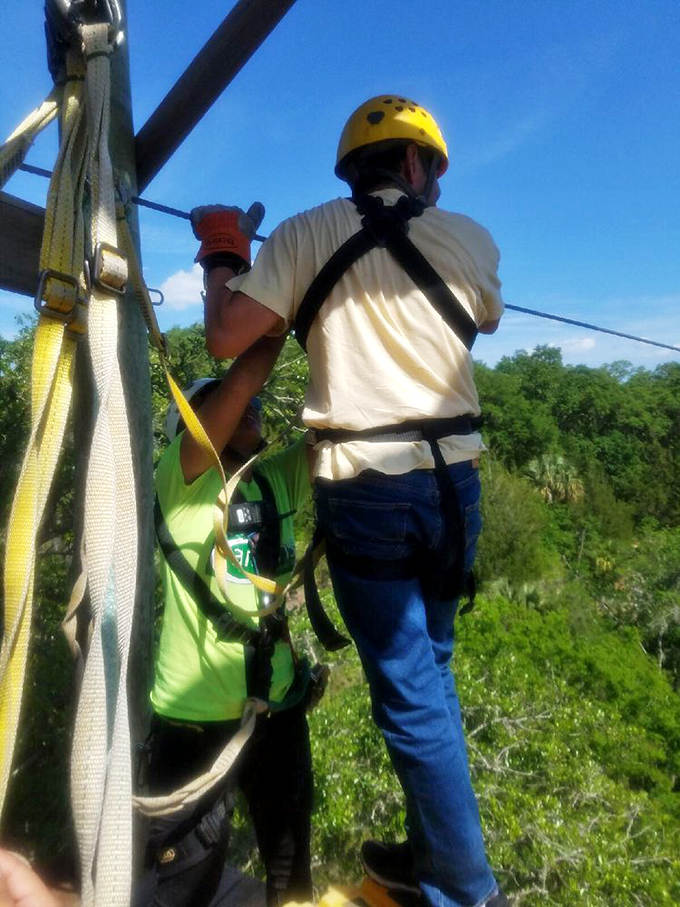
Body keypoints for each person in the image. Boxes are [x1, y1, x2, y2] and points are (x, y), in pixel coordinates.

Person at [194, 95, 506, 907]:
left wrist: (223, 256)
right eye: (434, 170)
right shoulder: (472, 239)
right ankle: (436, 854)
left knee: (408, 691)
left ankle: (466, 890)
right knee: (432, 671)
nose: (436, 184)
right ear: (414, 162)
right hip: (455, 484)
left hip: (369, 486)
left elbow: (226, 336)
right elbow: (486, 318)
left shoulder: (305, 232)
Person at [135, 203, 315, 907]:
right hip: (195, 717)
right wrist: (238, 274)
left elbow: (342, 432)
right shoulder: (184, 472)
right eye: (229, 407)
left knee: (289, 869)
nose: (251, 410)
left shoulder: (274, 478)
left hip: (276, 706)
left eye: (254, 408)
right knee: (184, 882)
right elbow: (241, 376)